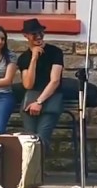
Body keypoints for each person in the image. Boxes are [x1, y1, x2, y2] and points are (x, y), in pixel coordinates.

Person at [15, 18, 64, 148]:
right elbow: (28, 84)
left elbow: (55, 81)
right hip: (31, 99)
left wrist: (39, 102)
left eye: (40, 32)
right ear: (26, 36)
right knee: (29, 140)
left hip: (49, 97)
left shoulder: (55, 52)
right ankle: (30, 167)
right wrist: (34, 59)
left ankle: (39, 167)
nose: (38, 36)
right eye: (34, 34)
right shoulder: (24, 58)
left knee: (42, 138)